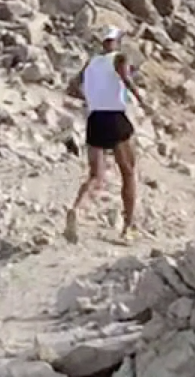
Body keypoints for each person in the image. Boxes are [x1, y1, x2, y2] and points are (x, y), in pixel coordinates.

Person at [65, 25, 141, 241]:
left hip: (95, 118)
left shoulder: (91, 62)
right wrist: (141, 99)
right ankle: (128, 227)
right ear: (116, 41)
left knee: (95, 175)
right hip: (115, 117)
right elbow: (126, 79)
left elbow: (72, 86)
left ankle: (76, 209)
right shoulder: (120, 58)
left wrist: (91, 98)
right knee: (128, 172)